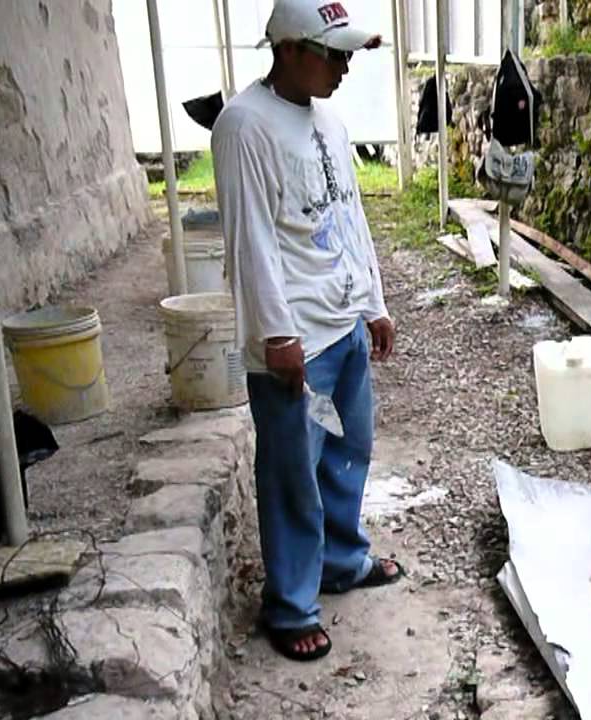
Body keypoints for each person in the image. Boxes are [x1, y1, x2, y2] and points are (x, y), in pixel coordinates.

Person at [211, 0, 404, 663]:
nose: (346, 65)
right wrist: (274, 334)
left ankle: (342, 561)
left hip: (343, 323)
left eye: (348, 53)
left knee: (348, 453)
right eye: (334, 53)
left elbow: (350, 216)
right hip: (298, 338)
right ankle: (291, 605)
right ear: (289, 49)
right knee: (294, 472)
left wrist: (374, 302)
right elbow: (250, 239)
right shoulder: (244, 126)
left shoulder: (328, 118)